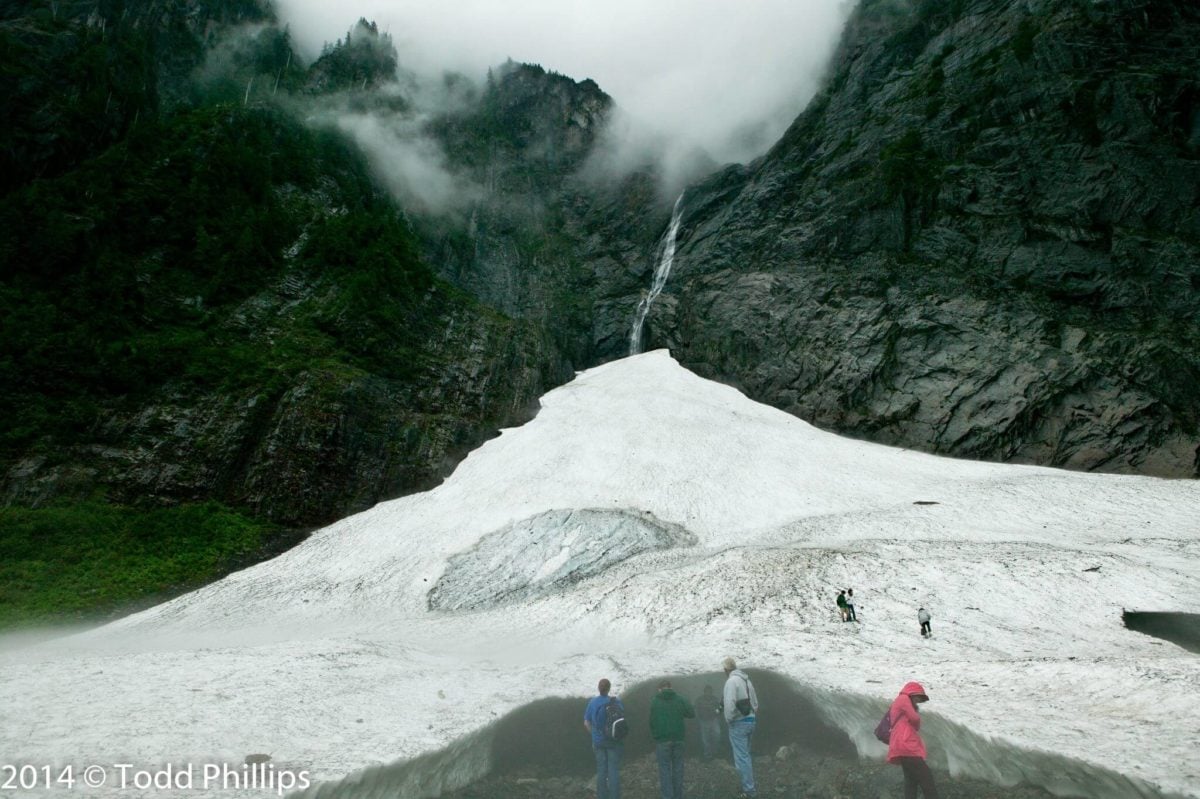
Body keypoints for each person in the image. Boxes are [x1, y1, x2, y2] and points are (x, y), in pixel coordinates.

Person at [887, 681, 940, 799]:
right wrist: (916, 725)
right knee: (927, 780)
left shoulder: (900, 700)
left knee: (911, 782)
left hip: (902, 746)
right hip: (906, 745)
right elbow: (914, 718)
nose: (917, 700)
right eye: (917, 697)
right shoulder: (904, 698)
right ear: (912, 693)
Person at [649, 679, 694, 799]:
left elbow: (652, 722)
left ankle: (668, 797)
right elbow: (691, 713)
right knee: (678, 768)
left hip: (662, 741)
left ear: (660, 688)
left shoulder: (655, 701)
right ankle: (678, 796)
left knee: (664, 770)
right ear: (670, 687)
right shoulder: (680, 698)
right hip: (678, 739)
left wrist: (656, 736)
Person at [722, 657, 759, 799]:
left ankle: (748, 790)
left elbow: (729, 704)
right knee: (746, 755)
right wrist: (752, 714)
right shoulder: (746, 680)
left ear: (726, 670)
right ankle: (747, 785)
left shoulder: (731, 682)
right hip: (751, 720)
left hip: (738, 723)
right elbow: (755, 703)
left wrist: (729, 719)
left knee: (741, 757)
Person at [584, 678, 624, 799]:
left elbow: (586, 723)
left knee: (601, 770)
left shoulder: (593, 702)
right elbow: (621, 720)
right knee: (613, 769)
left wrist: (594, 735)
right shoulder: (616, 701)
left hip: (598, 741)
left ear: (598, 688)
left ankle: (602, 796)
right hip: (613, 740)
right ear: (609, 688)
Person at [696, 684, 723, 760]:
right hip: (703, 721)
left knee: (717, 736)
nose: (708, 693)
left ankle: (715, 753)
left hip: (714, 720)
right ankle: (707, 755)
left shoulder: (715, 699)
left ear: (712, 692)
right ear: (704, 692)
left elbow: (720, 709)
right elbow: (696, 709)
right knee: (705, 739)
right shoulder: (699, 700)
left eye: (710, 691)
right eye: (707, 691)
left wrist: (716, 712)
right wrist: (699, 717)